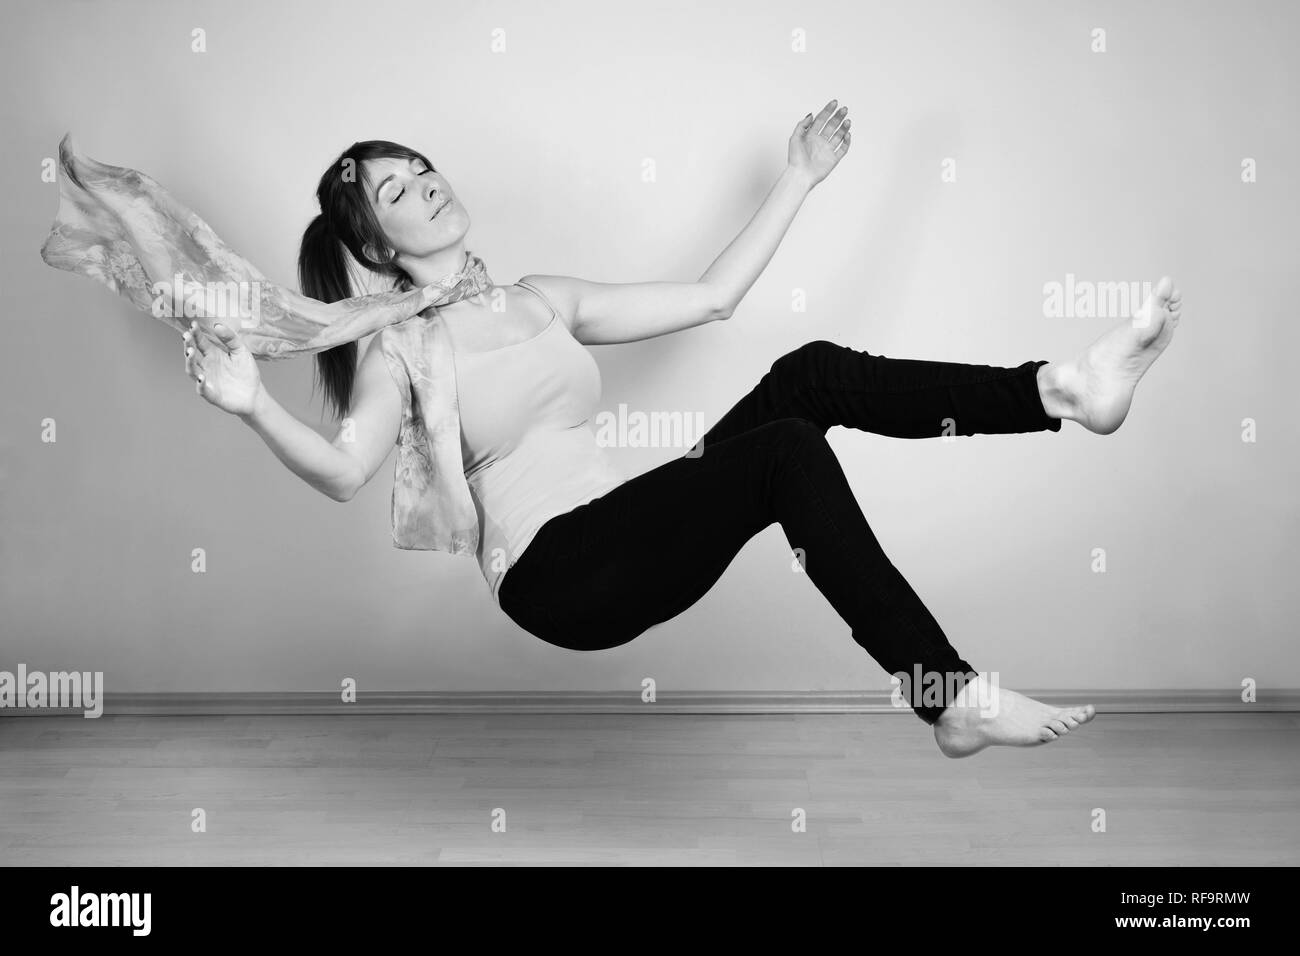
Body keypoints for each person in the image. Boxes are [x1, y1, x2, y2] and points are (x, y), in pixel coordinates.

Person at [174, 100, 1181, 757]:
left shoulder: (540, 296)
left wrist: (799, 174)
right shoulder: (406, 350)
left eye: (419, 165)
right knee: (785, 448)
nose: (424, 182)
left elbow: (711, 296)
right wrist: (252, 402)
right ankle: (945, 691)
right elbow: (350, 467)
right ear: (376, 246)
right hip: (557, 575)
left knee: (808, 377)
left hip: (627, 528)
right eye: (394, 190)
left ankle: (1062, 391)